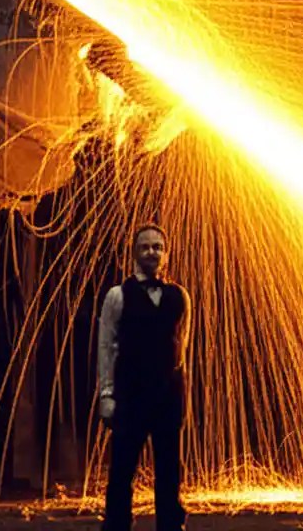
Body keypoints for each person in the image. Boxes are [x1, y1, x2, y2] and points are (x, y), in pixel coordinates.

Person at [98, 224, 192, 531]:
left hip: (168, 396)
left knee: (168, 469)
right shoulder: (117, 296)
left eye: (157, 247)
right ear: (135, 253)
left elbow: (181, 346)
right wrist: (107, 395)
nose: (152, 252)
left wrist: (182, 396)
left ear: (166, 253)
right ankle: (116, 525)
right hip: (131, 394)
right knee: (122, 469)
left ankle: (170, 525)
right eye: (145, 247)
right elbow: (107, 346)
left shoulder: (180, 296)